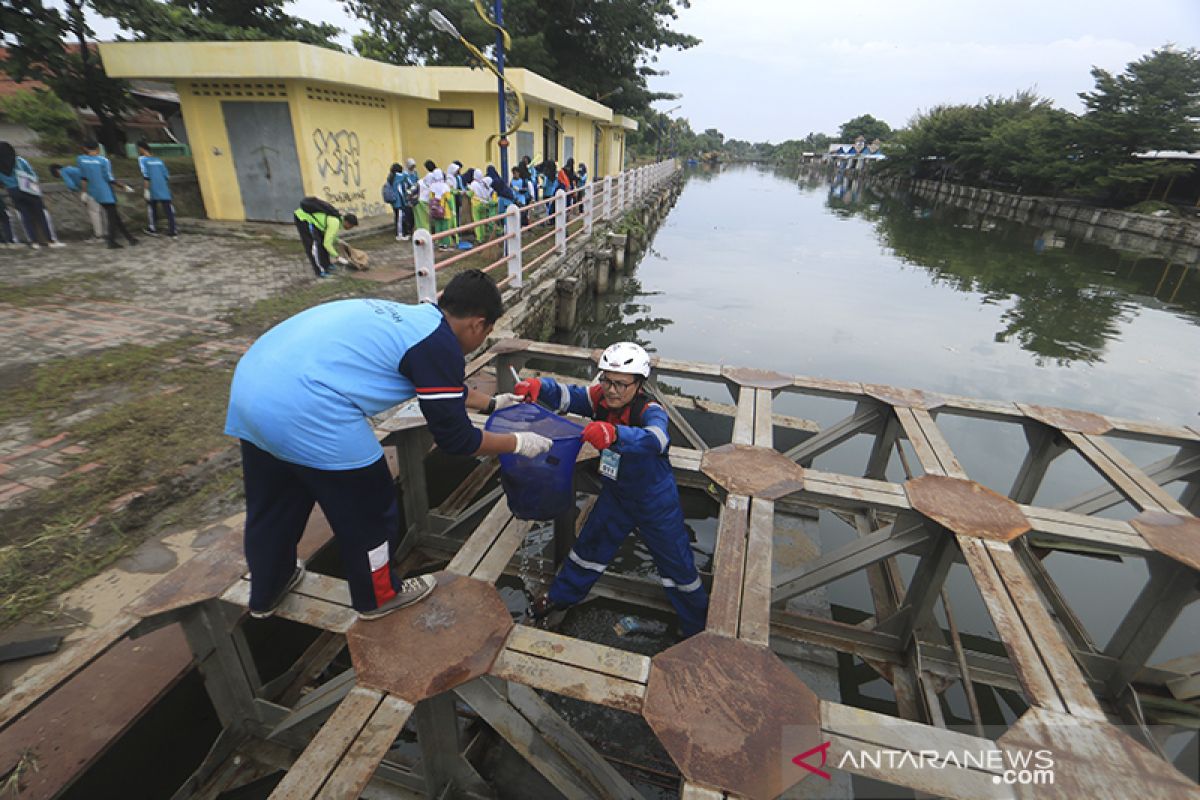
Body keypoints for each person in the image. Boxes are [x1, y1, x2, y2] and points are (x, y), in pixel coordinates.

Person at [224, 270, 553, 619]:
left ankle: (267, 590)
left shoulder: (414, 321)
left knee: (276, 502)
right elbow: (457, 440)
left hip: (254, 388)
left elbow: (440, 387)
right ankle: (378, 596)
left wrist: (491, 404)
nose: (483, 339)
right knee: (372, 505)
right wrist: (518, 443)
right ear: (478, 324)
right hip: (307, 408)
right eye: (487, 333)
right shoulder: (439, 346)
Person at [509, 342, 709, 637]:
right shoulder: (599, 398)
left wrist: (615, 434)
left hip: (654, 500)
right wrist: (540, 387)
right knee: (589, 547)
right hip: (617, 494)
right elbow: (570, 396)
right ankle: (560, 598)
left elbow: (656, 439)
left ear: (639, 384)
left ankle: (696, 626)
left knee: (677, 562)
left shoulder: (650, 410)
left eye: (620, 384)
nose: (611, 390)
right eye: (606, 380)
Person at [0, 142, 61, 249]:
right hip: (28, 188)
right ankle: (50, 240)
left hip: (13, 192)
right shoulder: (19, 161)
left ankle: (33, 241)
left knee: (25, 216)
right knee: (40, 215)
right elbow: (33, 175)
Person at [77, 140, 137, 249]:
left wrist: (84, 192)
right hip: (106, 192)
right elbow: (109, 178)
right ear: (98, 149)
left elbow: (83, 178)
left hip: (94, 192)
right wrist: (123, 186)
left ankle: (130, 238)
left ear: (85, 148)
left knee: (114, 216)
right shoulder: (103, 161)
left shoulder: (81, 160)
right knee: (112, 217)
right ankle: (111, 241)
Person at [293, 197, 357, 278]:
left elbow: (329, 236)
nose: (350, 228)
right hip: (304, 218)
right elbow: (327, 243)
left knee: (322, 240)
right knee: (314, 245)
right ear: (347, 222)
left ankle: (326, 264)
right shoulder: (335, 222)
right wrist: (337, 257)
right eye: (351, 226)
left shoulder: (338, 219)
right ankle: (320, 271)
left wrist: (339, 241)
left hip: (314, 222)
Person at [51, 163, 105, 240]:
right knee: (98, 212)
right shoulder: (70, 168)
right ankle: (102, 234)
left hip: (90, 190)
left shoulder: (64, 171)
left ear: (56, 170)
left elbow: (71, 185)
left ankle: (99, 236)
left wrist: (76, 190)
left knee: (94, 213)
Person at [137, 140, 178, 237]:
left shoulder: (142, 160)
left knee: (152, 208)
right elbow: (166, 175)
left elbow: (146, 176)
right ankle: (173, 230)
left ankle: (152, 228)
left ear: (142, 149)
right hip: (163, 187)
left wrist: (146, 190)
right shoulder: (159, 161)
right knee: (168, 210)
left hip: (152, 188)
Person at [468, 171, 494, 242]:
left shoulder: (473, 184)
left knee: (477, 222)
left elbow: (470, 194)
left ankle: (479, 238)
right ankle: (483, 235)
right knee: (482, 221)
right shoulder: (483, 183)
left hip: (476, 204)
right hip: (484, 204)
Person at [398, 158, 420, 239]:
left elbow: (417, 181)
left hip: (414, 195)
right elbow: (407, 185)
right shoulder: (405, 174)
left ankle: (412, 230)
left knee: (414, 215)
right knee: (407, 215)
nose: (413, 168)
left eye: (414, 166)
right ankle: (407, 231)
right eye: (411, 166)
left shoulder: (415, 173)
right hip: (407, 197)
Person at [385, 162, 407, 241]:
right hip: (398, 202)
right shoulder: (398, 177)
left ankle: (399, 233)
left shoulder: (391, 177)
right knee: (400, 219)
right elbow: (405, 176)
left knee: (397, 217)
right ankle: (399, 235)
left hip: (394, 201)